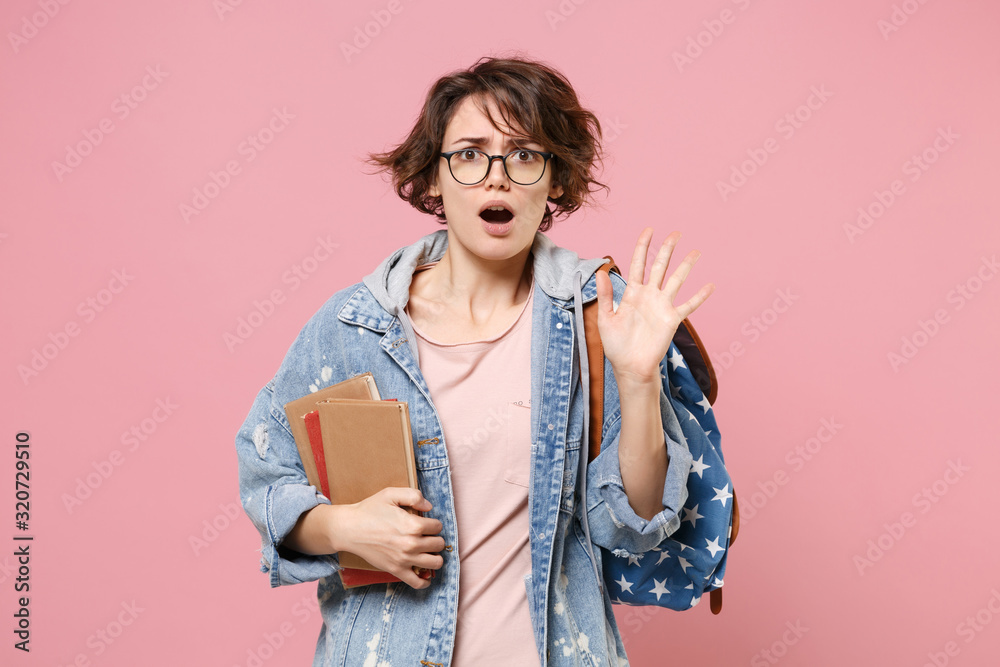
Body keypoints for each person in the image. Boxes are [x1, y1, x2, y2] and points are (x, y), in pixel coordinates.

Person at [235, 54, 716, 666]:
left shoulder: (594, 320)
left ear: (555, 180)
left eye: (524, 155)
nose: (498, 178)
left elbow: (636, 521)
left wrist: (639, 378)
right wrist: (342, 529)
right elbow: (265, 472)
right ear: (433, 178)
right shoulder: (356, 324)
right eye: (469, 153)